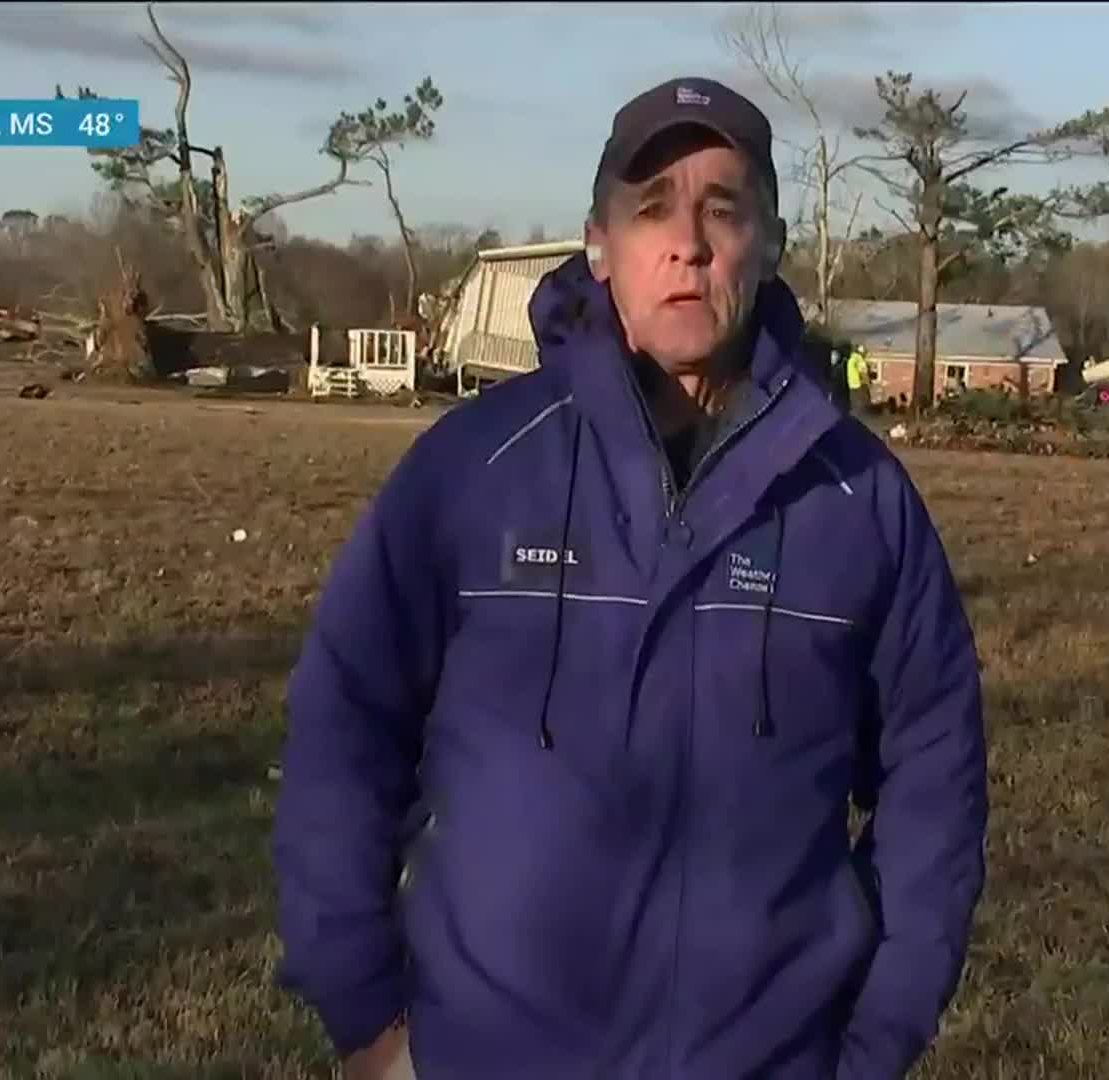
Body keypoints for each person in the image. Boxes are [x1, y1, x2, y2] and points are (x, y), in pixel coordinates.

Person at [274, 75, 987, 1080]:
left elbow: (935, 787)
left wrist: (875, 1040)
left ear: (769, 241)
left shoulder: (860, 501)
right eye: (651, 208)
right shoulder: (472, 471)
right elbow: (347, 726)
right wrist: (362, 1010)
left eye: (722, 208)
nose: (686, 241)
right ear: (599, 246)